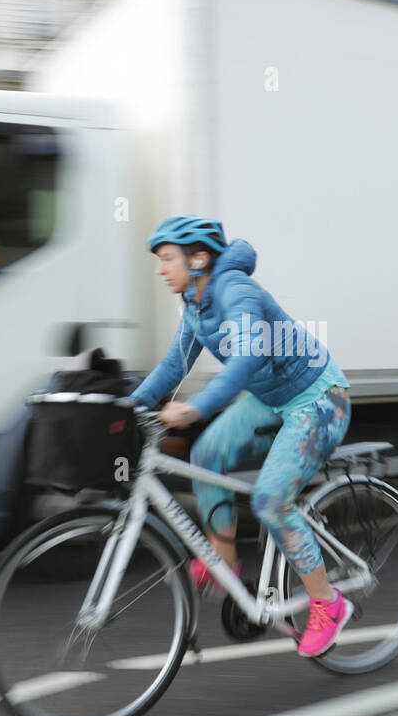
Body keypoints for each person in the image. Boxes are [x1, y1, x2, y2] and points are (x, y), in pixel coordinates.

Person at [129, 215, 354, 657]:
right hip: (270, 400)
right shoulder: (195, 304)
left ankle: (328, 602)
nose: (160, 268)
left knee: (270, 499)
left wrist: (196, 407)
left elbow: (247, 357)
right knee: (206, 452)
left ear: (199, 259)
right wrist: (128, 406)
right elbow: (174, 366)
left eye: (168, 258)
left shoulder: (236, 291)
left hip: (318, 399)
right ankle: (225, 559)